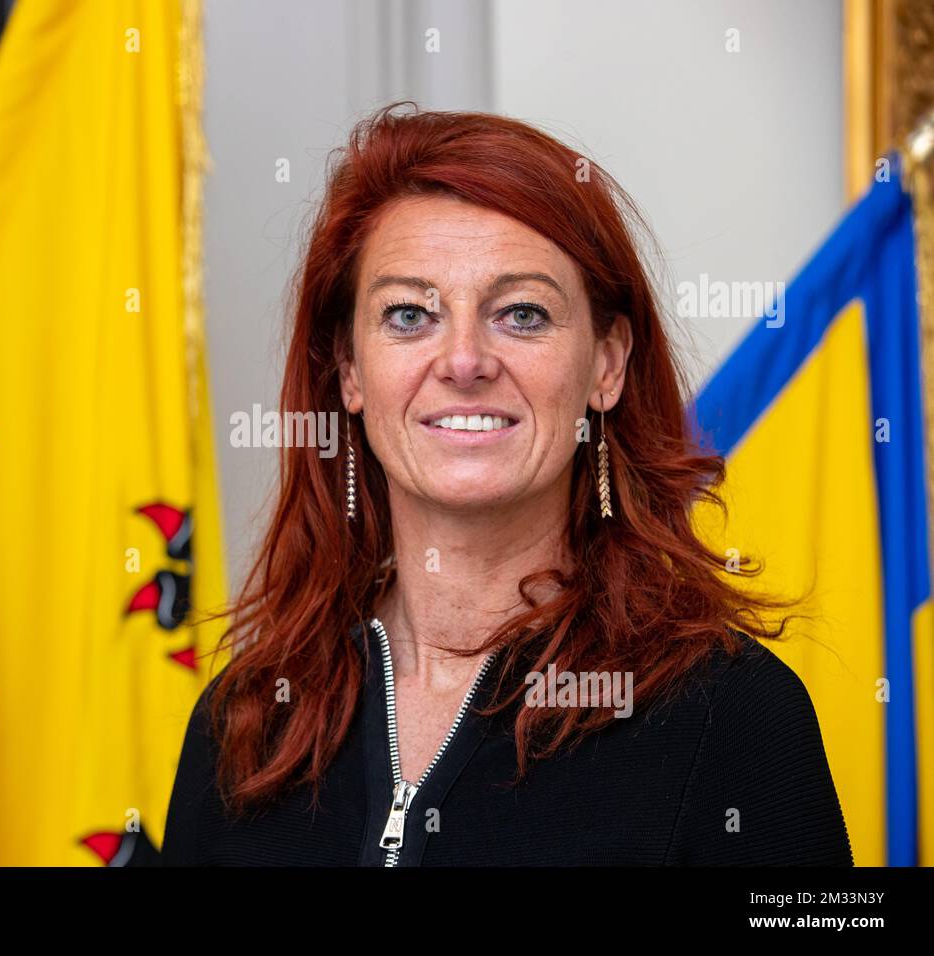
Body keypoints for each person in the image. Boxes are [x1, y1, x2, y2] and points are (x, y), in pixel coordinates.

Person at [161, 102, 853, 866]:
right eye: (408, 314)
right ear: (349, 372)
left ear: (607, 364)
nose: (464, 361)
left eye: (522, 314)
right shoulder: (245, 722)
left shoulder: (736, 716)